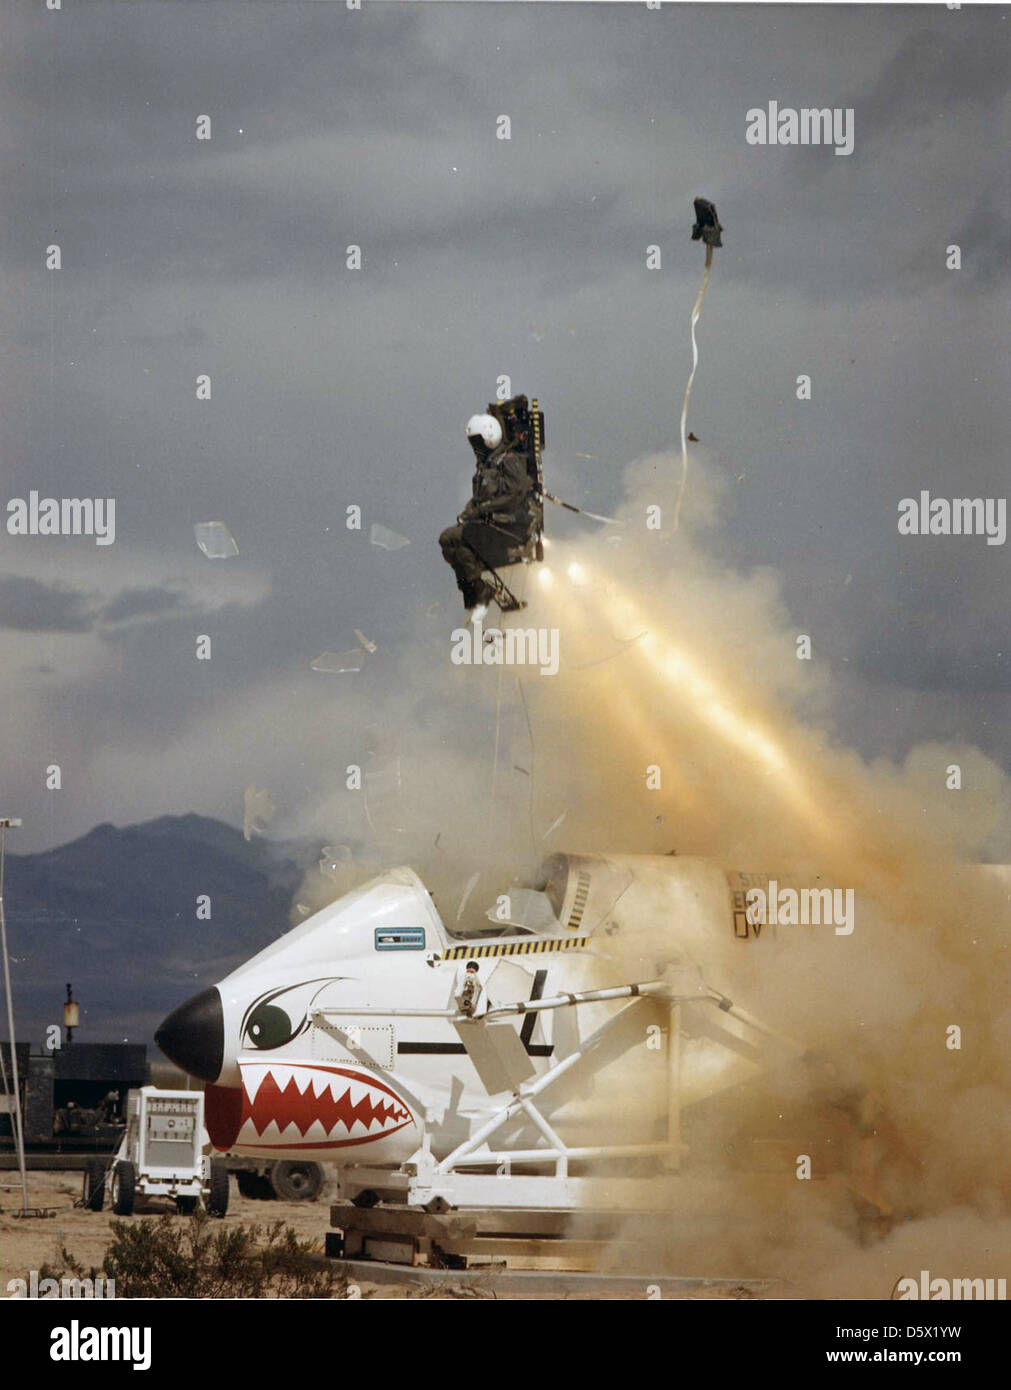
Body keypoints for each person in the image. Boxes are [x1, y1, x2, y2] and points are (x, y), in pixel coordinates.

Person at [440, 412, 536, 616]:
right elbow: (478, 500)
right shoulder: (485, 468)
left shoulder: (508, 460)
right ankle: (472, 589)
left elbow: (514, 495)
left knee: (461, 537)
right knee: (447, 539)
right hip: (488, 526)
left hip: (508, 528)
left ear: (489, 438)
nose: (476, 448)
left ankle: (479, 589)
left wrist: (481, 510)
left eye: (478, 442)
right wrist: (468, 512)